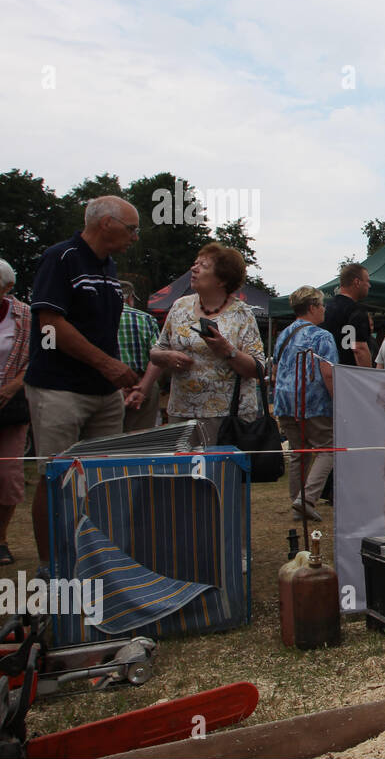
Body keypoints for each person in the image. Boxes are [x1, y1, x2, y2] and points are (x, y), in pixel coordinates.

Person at [26, 195, 140, 562]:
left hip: (103, 393)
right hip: (59, 388)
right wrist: (108, 365)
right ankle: (51, 565)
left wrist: (113, 373)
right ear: (105, 223)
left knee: (104, 479)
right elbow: (50, 327)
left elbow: (102, 329)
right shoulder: (60, 258)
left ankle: (98, 559)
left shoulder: (109, 267)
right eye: (131, 228)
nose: (135, 236)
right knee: (56, 476)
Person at [131, 244, 266, 446]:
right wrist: (166, 359)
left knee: (218, 476)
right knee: (182, 474)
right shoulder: (180, 306)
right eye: (195, 263)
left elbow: (258, 368)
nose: (193, 269)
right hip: (182, 412)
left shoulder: (242, 314)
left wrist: (227, 350)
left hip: (226, 416)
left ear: (222, 279)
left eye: (203, 265)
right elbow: (157, 352)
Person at [272, 286, 339, 521]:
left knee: (299, 452)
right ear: (312, 307)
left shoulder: (283, 335)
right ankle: (307, 499)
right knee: (328, 448)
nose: (324, 310)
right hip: (313, 402)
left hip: (285, 402)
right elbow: (328, 373)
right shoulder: (322, 337)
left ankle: (297, 501)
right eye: (322, 305)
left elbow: (275, 369)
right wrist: (338, 401)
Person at [0, 261, 31, 566]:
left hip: (10, 406)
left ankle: (1, 539)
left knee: (8, 475)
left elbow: (40, 356)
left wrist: (12, 387)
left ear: (7, 288)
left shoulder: (26, 316)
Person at [117, 280, 161, 433]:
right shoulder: (146, 319)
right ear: (129, 298)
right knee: (139, 440)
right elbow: (158, 357)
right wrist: (143, 387)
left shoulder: (97, 318)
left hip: (109, 387)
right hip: (143, 384)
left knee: (106, 443)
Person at [322, 263, 373, 368]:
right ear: (357, 282)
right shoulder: (356, 311)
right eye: (367, 281)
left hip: (327, 373)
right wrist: (369, 378)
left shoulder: (325, 309)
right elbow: (359, 349)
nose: (369, 285)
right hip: (349, 374)